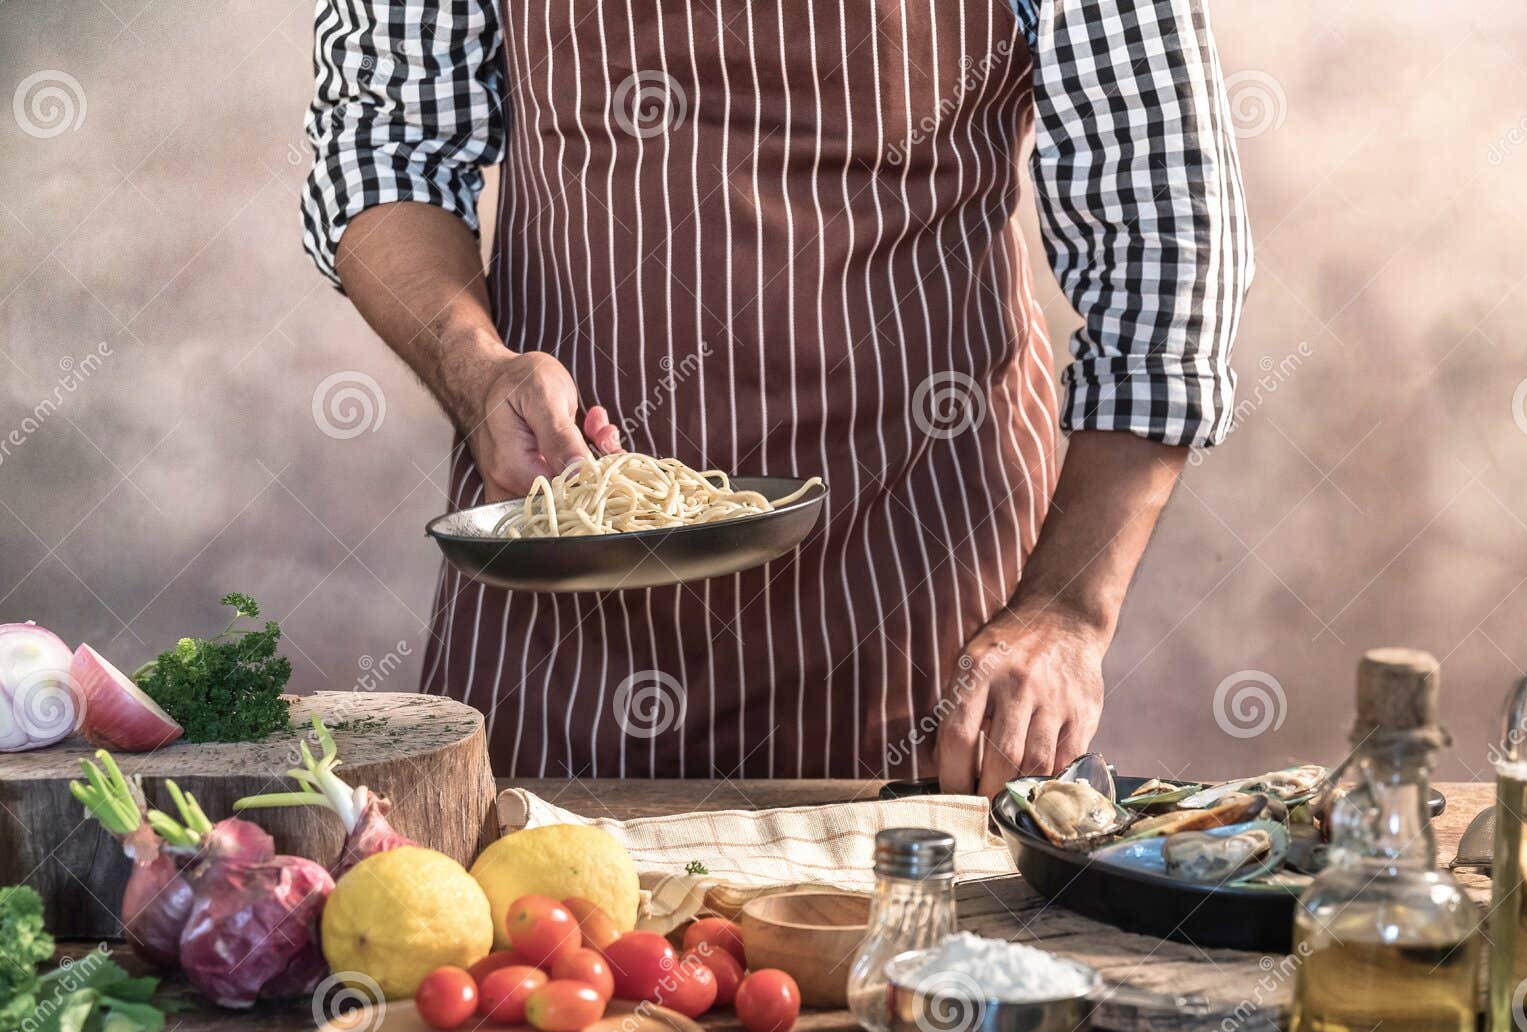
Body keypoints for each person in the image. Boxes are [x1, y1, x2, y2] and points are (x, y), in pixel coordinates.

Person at [301, 0, 1252, 794]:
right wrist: (476, 370)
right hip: (567, 576)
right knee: (541, 973)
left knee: (916, 980)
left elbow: (1165, 236)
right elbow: (384, 148)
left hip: (924, 571)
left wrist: (1069, 609)